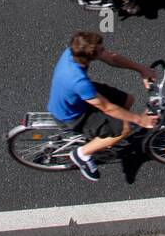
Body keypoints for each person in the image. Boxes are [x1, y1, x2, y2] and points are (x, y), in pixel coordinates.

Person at [47, 32, 156, 182]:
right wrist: (140, 120)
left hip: (78, 97)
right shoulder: (79, 81)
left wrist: (142, 69)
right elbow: (108, 108)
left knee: (128, 100)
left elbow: (111, 58)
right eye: (101, 50)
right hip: (73, 115)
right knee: (125, 128)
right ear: (89, 57)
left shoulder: (72, 51)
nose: (105, 51)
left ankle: (103, 137)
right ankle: (82, 154)